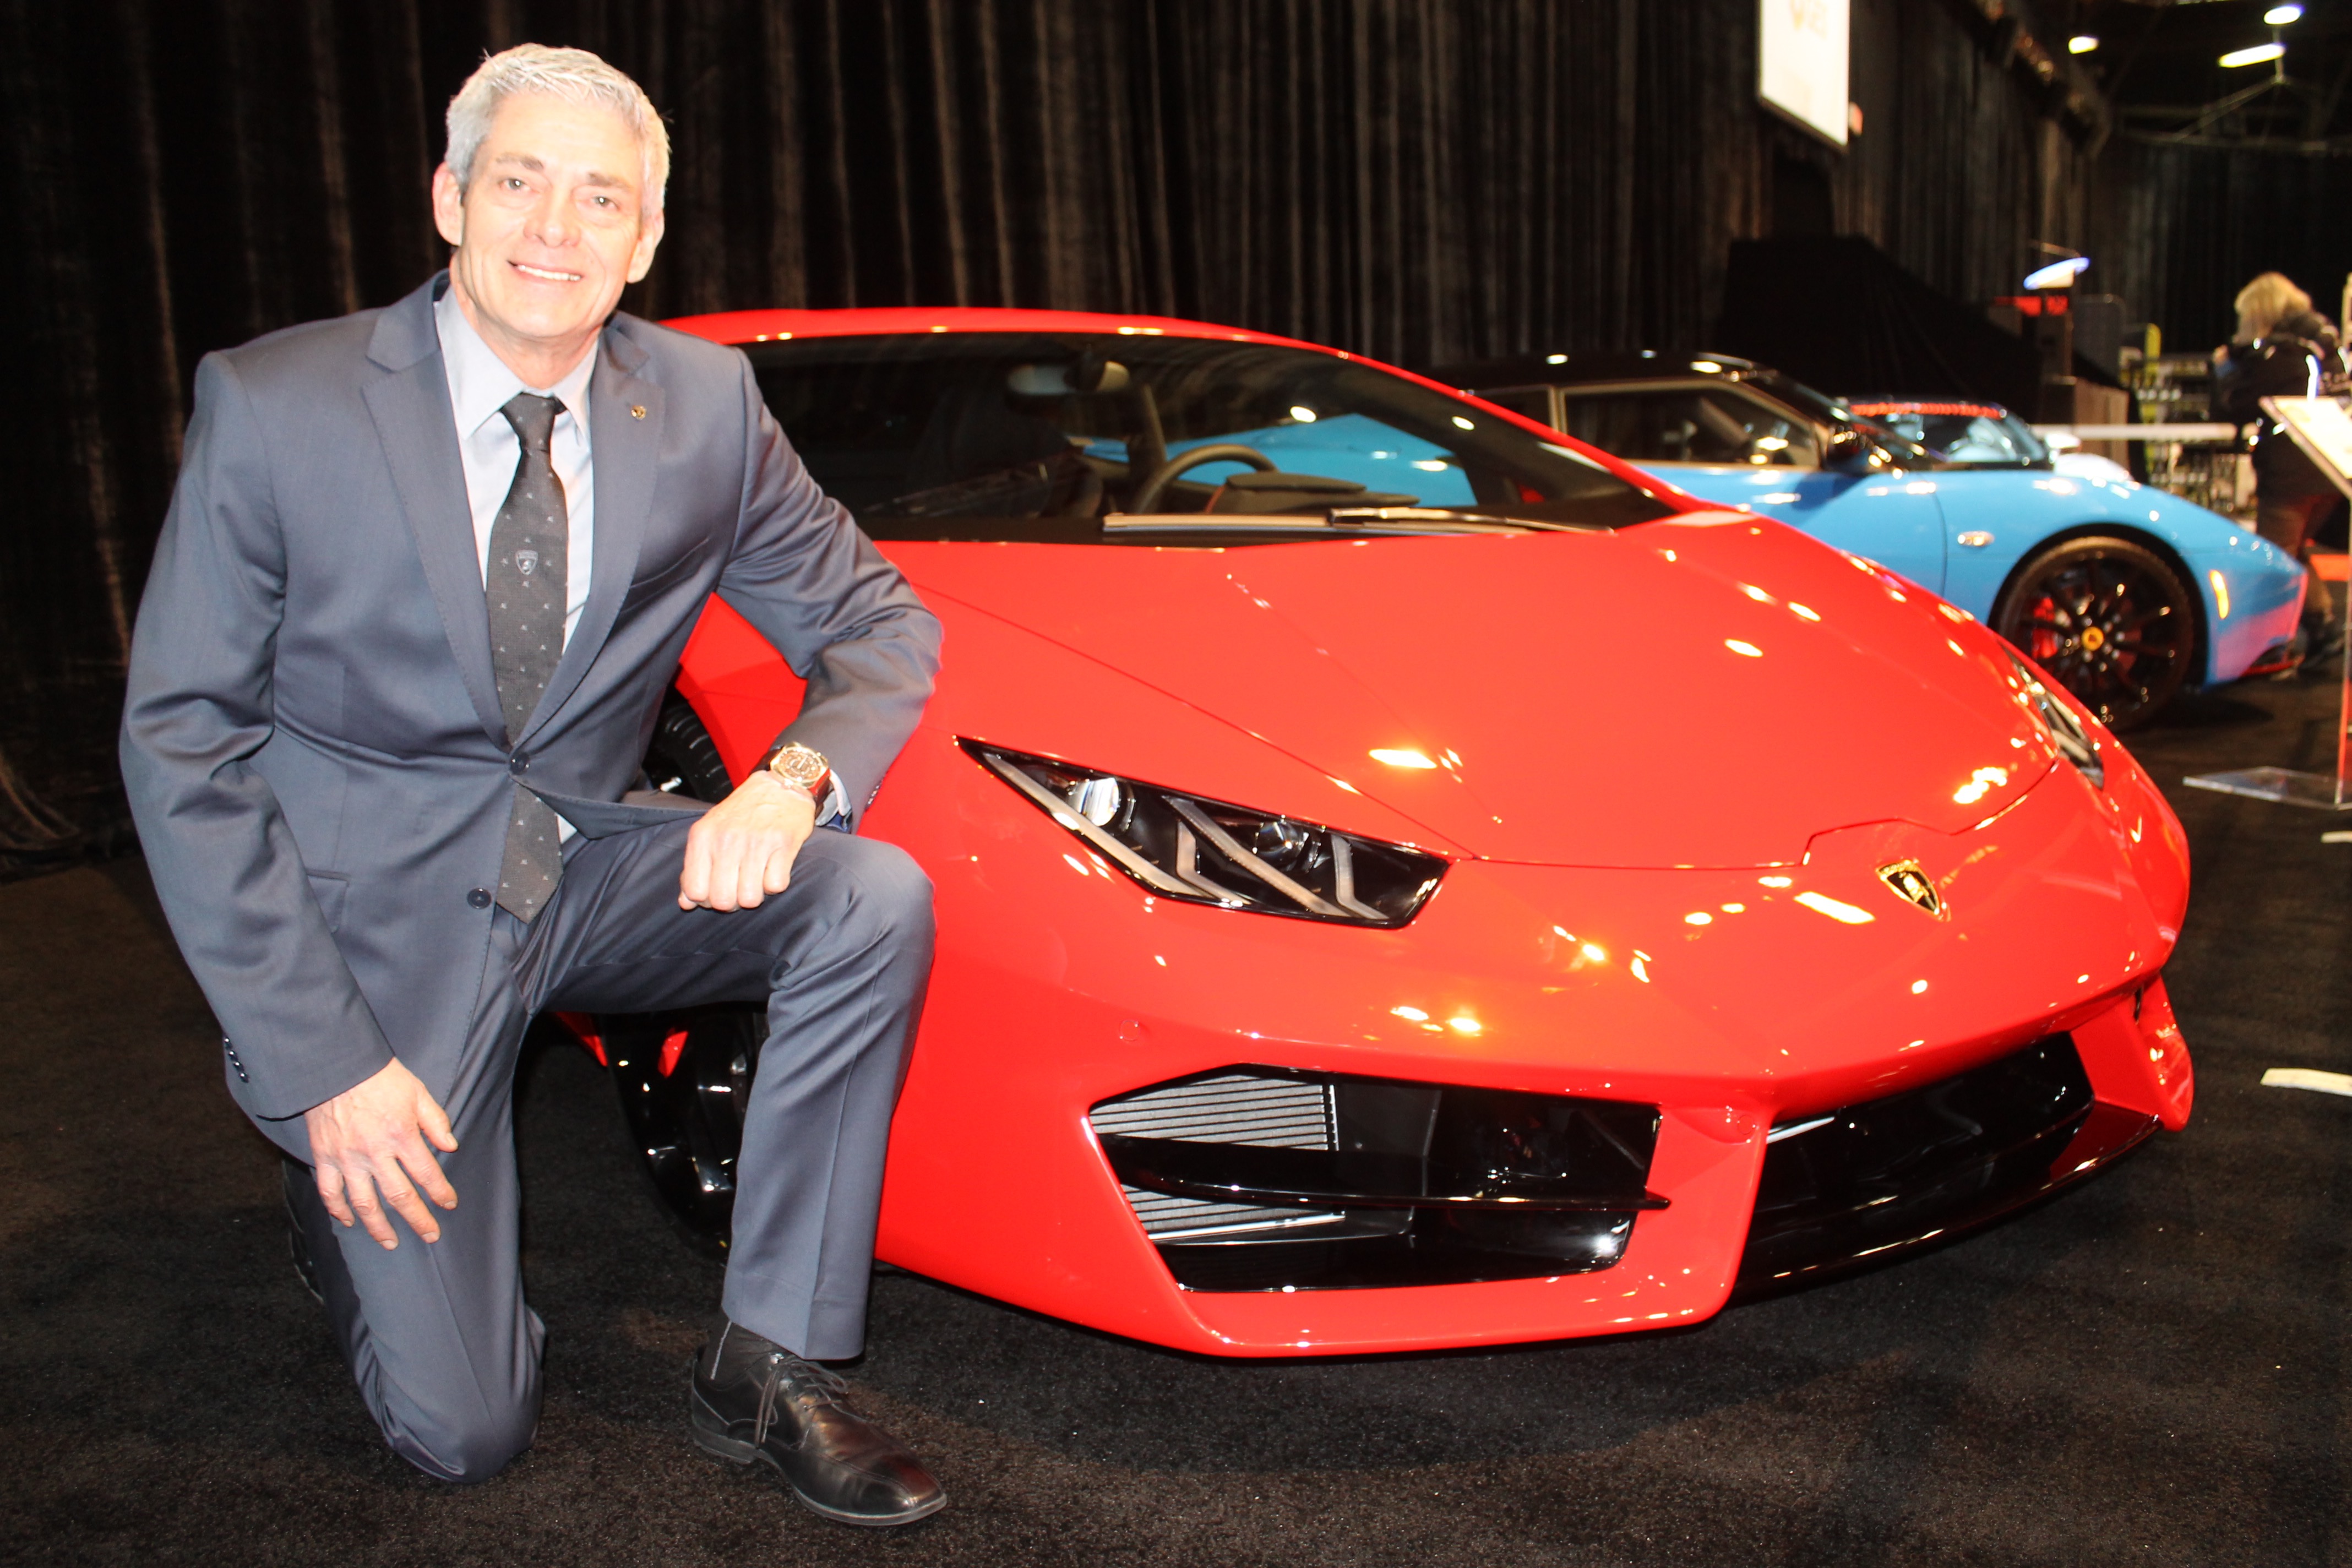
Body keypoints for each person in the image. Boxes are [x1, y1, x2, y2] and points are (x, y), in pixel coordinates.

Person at [118, 45, 948, 1526]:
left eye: (600, 198)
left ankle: (772, 1361)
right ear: (449, 198)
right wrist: (323, 1064)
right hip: (376, 931)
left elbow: (879, 622)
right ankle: (329, 1183)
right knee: (467, 1435)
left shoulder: (702, 403)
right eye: (519, 181)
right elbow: (182, 740)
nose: (555, 228)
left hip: (580, 867)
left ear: (645, 241)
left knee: (865, 892)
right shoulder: (278, 402)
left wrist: (793, 782)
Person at [2215, 271, 2349, 655]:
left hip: (2291, 476)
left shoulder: (2282, 355)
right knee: (2291, 551)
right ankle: (2323, 630)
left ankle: (2266, 648)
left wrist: (2226, 368)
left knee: (2272, 560)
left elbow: (2234, 406)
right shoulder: (2328, 348)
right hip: (2329, 468)